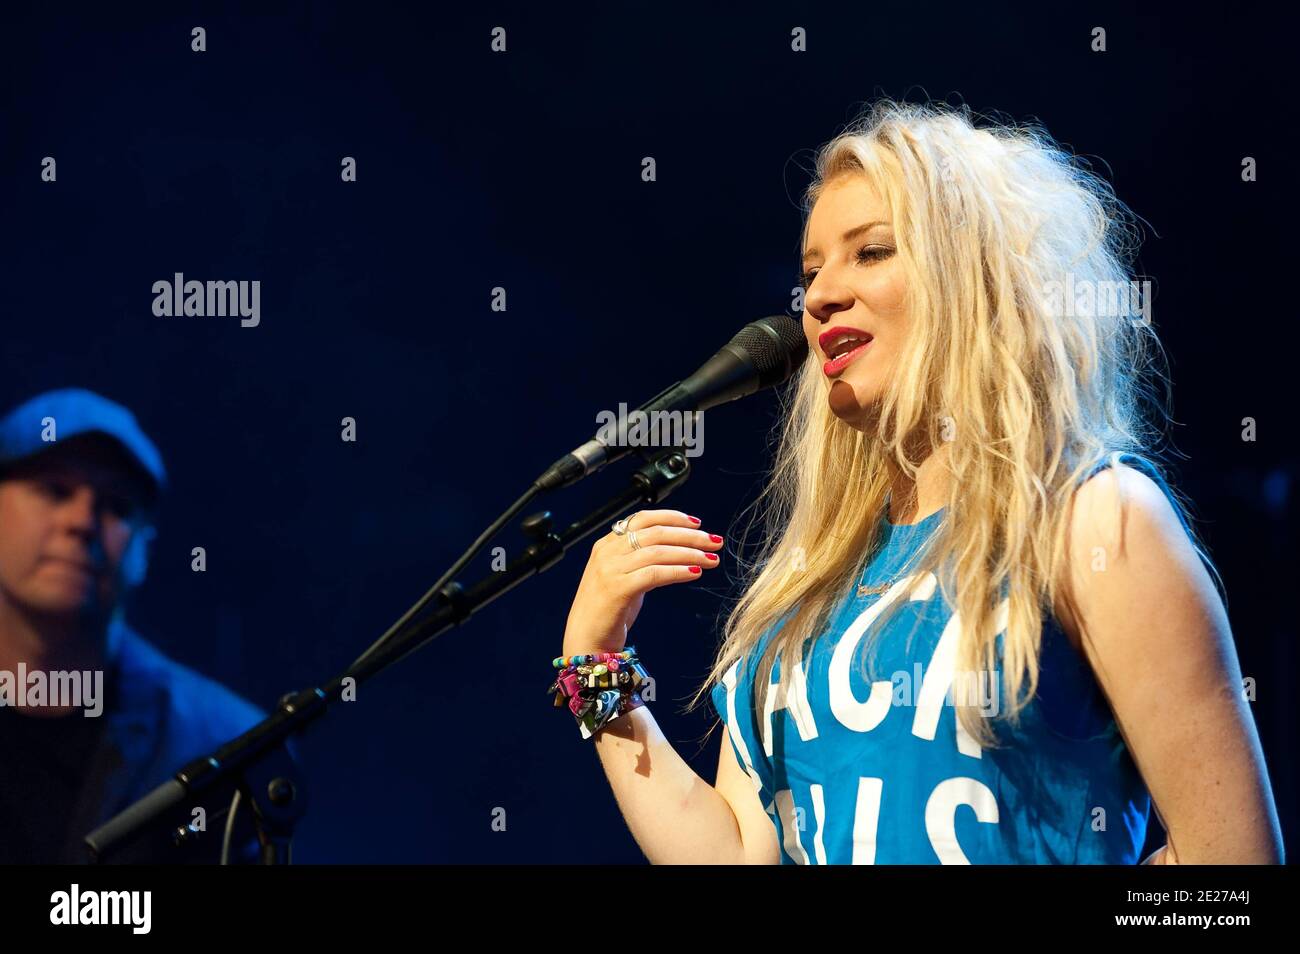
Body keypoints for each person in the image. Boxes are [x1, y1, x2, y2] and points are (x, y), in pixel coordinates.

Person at [555, 100, 1285, 864]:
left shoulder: (1096, 522)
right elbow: (741, 852)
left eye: (870, 252)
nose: (821, 295)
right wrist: (597, 663)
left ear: (976, 278)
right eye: (811, 272)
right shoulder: (809, 580)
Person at [0, 388, 265, 863]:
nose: (82, 521)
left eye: (117, 506)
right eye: (54, 490)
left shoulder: (222, 747)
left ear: (147, 549)